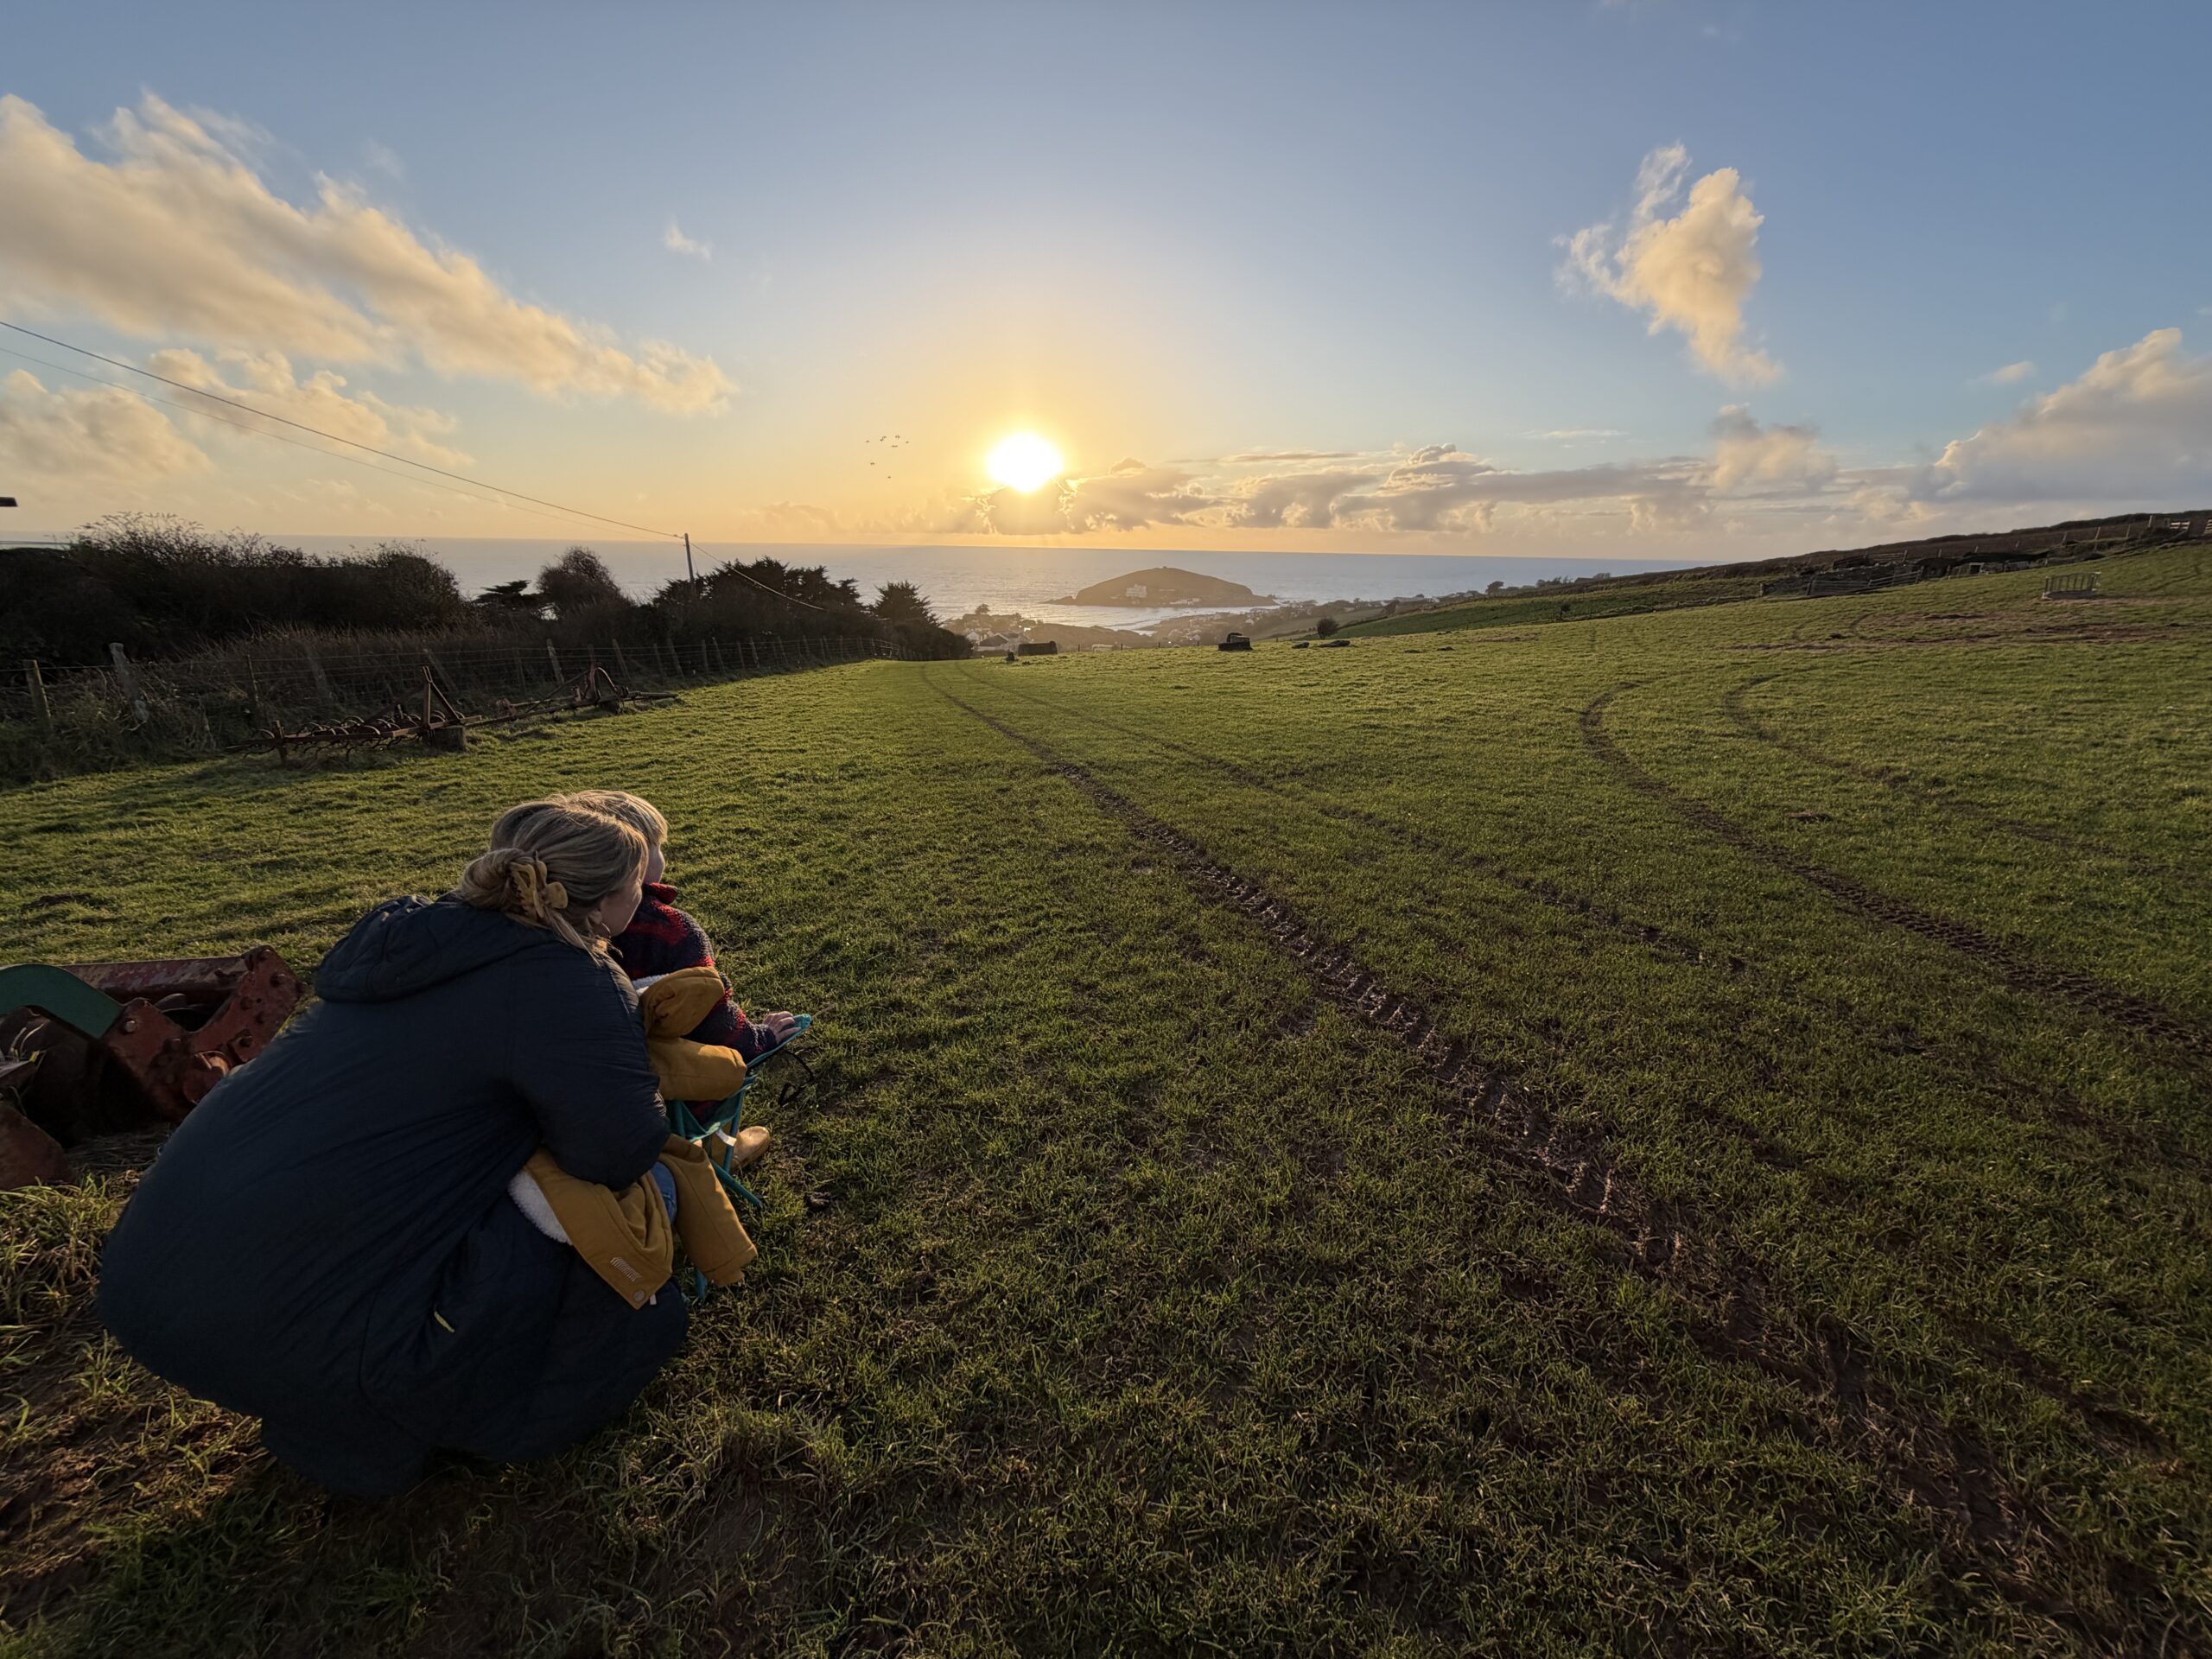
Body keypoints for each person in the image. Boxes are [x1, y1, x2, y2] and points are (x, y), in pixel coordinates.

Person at [99, 802, 688, 1497]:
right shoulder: (570, 978)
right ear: (602, 903)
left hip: (144, 1286)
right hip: (292, 1330)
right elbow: (615, 1151)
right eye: (634, 888)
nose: (643, 897)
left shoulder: (407, 943)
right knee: (653, 1191)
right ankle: (417, 1395)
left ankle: (330, 1391)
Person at [526, 791, 798, 1166]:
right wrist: (758, 1039)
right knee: (720, 1069)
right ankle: (716, 1148)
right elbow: (712, 1014)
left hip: (590, 1109)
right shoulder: (672, 930)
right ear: (629, 861)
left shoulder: (538, 930)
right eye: (655, 846)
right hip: (684, 1099)